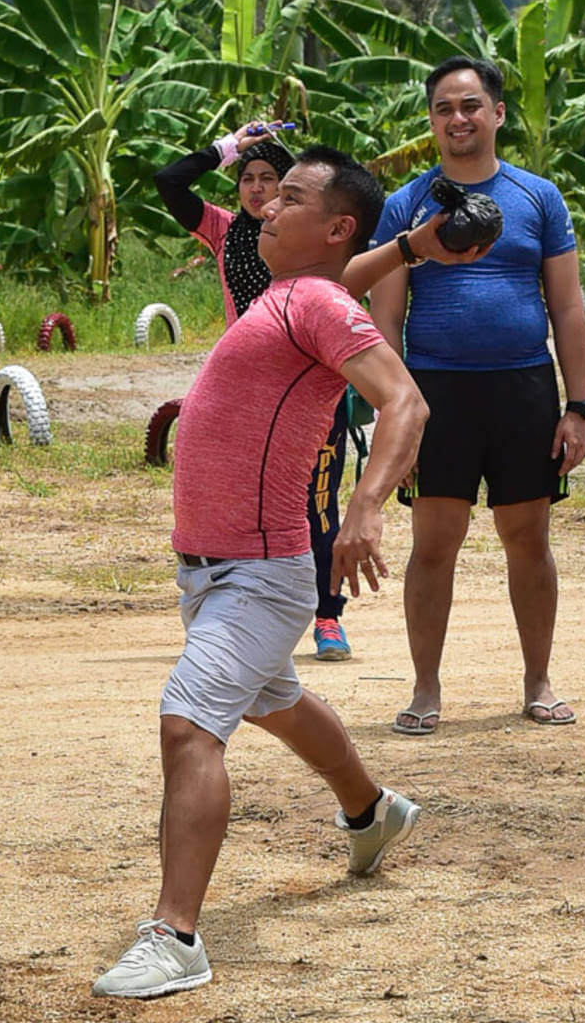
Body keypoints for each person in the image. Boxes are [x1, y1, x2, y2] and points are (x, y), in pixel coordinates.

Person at [94, 146, 485, 999]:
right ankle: (372, 811)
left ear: (335, 226)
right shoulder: (290, 291)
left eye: (291, 197)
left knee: (189, 725)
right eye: (267, 195)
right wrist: (418, 245)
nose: (266, 205)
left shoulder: (312, 300)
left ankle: (176, 937)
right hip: (213, 570)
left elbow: (404, 399)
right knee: (274, 698)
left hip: (258, 574)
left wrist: (368, 503)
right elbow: (354, 267)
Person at [365, 56, 585, 736]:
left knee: (529, 540)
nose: (457, 118)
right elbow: (384, 319)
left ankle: (538, 680)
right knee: (434, 543)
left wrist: (576, 407)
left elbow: (568, 307)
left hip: (523, 386)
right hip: (435, 393)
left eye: (469, 105)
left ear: (496, 113)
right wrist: (393, 410)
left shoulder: (538, 198)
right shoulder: (406, 206)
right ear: (431, 121)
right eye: (443, 108)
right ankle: (425, 690)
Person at [153, 124, 357, 662]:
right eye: (249, 178)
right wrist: (225, 147)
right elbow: (169, 182)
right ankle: (242, 613)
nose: (258, 189)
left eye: (273, 180)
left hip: (305, 391)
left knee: (316, 504)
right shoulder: (223, 231)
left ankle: (327, 614)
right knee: (243, 511)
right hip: (243, 400)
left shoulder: (310, 249)